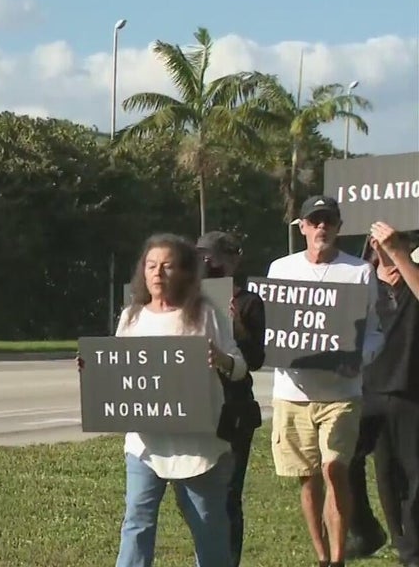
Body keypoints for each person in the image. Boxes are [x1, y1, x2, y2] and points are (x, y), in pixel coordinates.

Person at [109, 233, 247, 567]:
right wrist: (92, 368)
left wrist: (222, 361)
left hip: (199, 446)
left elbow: (239, 366)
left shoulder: (205, 314)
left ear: (184, 272)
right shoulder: (131, 317)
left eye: (167, 266)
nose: (157, 273)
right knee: (136, 524)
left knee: (208, 528)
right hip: (145, 444)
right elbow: (117, 371)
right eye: (151, 266)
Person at [265, 196, 383, 567]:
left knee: (336, 469)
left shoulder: (359, 272)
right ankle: (321, 556)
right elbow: (272, 328)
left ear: (338, 226)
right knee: (307, 477)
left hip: (341, 394)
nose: (321, 228)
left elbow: (376, 332)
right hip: (292, 392)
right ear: (301, 227)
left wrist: (358, 361)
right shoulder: (280, 270)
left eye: (328, 221)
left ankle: (338, 555)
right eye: (314, 221)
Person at [196, 230, 265, 567]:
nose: (206, 263)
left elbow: (255, 358)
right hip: (197, 406)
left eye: (213, 257)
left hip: (235, 410)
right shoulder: (188, 299)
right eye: (200, 256)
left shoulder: (250, 302)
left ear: (232, 260)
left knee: (228, 494)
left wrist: (234, 317)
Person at [355, 222, 419, 567]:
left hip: (412, 389)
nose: (382, 243)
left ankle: (412, 551)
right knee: (363, 469)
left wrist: (399, 254)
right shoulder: (361, 282)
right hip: (368, 389)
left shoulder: (413, 275)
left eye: (394, 238)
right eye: (377, 238)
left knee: (413, 475)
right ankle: (367, 530)